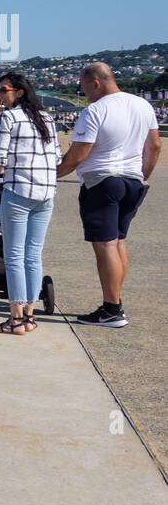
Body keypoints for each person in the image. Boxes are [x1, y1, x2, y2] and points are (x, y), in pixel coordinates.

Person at [56, 62, 160, 327]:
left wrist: (51, 174)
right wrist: (143, 175)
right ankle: (115, 302)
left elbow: (78, 155)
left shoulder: (95, 110)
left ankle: (112, 308)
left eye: (83, 86)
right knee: (118, 241)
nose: (84, 92)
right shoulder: (142, 105)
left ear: (95, 83)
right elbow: (155, 145)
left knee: (104, 246)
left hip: (102, 181)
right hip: (132, 182)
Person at [0, 72, 60, 336]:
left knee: (14, 255)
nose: (0, 96)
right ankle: (29, 316)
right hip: (46, 193)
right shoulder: (47, 118)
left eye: (4, 90)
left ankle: (15, 319)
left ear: (20, 92)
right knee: (33, 255)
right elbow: (56, 156)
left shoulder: (9, 117)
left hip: (19, 191)